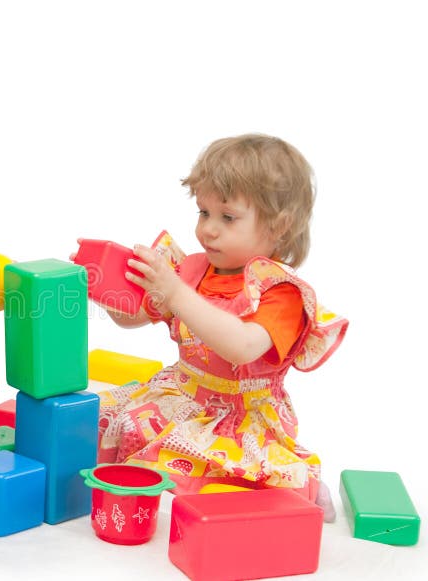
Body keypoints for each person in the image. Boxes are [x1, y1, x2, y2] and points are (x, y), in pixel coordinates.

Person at [94, 134, 347, 521]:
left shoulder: (280, 292)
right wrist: (106, 288)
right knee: (108, 422)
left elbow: (242, 347)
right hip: (179, 394)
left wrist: (176, 294)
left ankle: (302, 487)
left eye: (227, 217)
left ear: (280, 225)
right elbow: (134, 317)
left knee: (202, 482)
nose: (208, 229)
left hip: (239, 418)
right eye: (203, 212)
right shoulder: (193, 270)